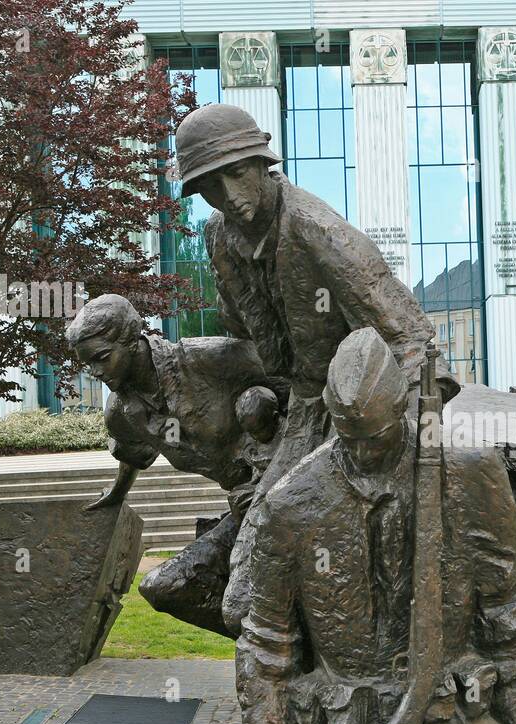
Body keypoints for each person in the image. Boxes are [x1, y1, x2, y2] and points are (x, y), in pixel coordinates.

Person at [201, 328, 516, 724]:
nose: (364, 453)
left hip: (452, 723)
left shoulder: (471, 473)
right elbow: (265, 650)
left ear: (403, 409)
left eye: (376, 437)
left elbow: (513, 620)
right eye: (349, 436)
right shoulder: (289, 505)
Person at [171, 103, 457, 635]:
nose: (231, 196)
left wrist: (412, 440)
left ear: (263, 164)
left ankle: (301, 659)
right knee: (239, 560)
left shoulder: (317, 230)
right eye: (212, 185)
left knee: (264, 549)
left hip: (355, 412)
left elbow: (411, 339)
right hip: (297, 401)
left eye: (238, 174)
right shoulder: (221, 236)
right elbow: (243, 331)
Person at [67, 294, 283, 634]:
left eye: (102, 359)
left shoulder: (209, 358)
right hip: (243, 507)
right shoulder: (123, 413)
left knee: (241, 600)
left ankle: (277, 648)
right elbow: (132, 456)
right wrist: (117, 492)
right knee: (164, 587)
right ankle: (276, 645)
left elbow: (298, 389)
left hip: (284, 485)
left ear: (131, 339)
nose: (95, 373)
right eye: (88, 365)